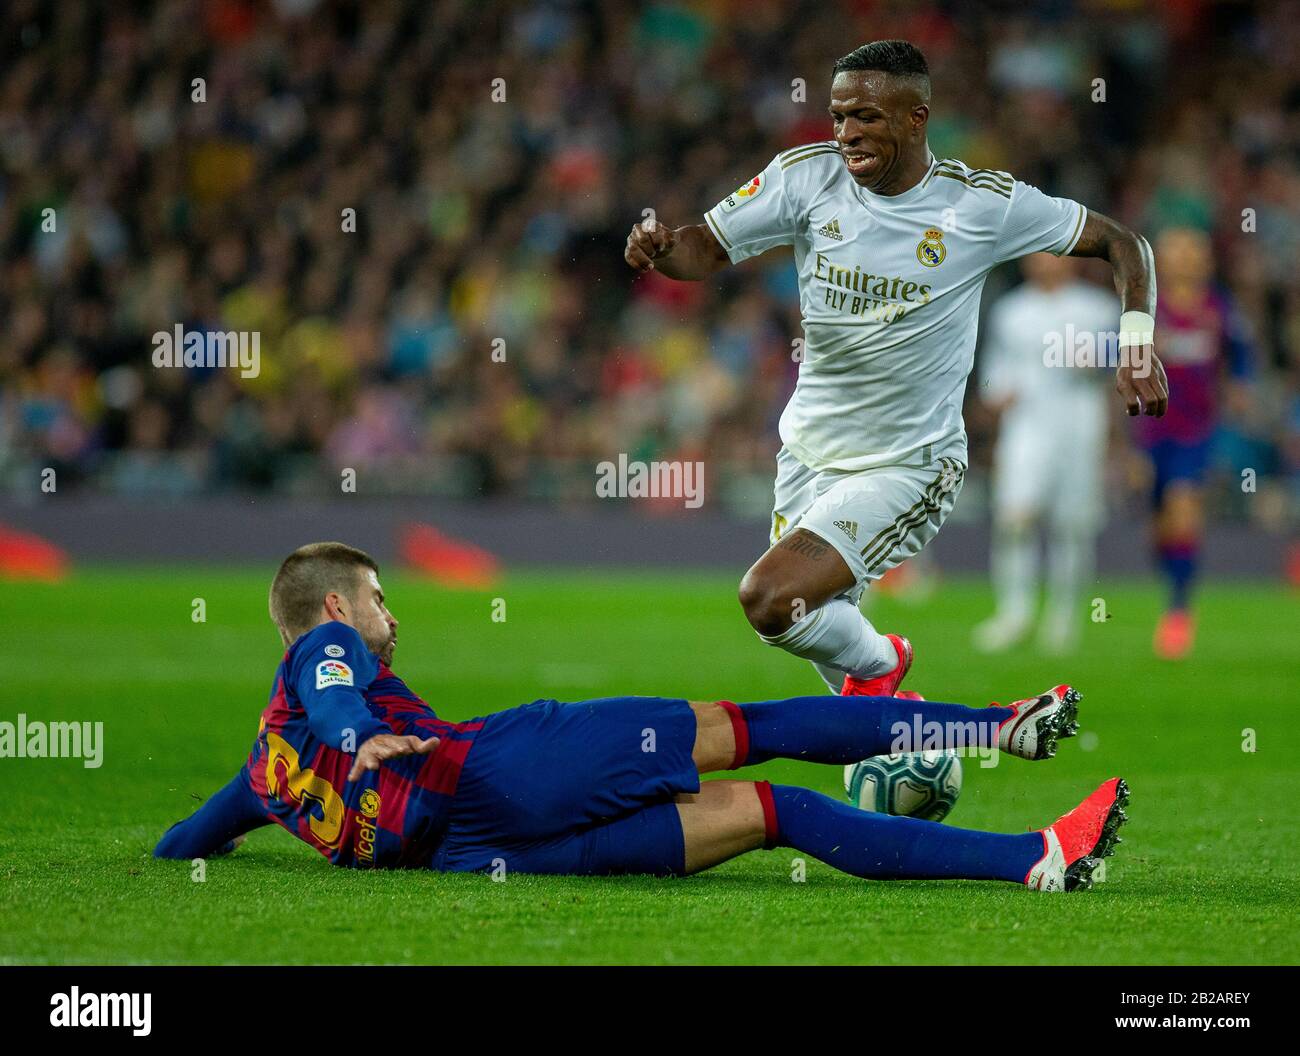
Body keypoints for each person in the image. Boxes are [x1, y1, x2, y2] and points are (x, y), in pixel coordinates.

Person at [623, 39, 1167, 695]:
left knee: (768, 596)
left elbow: (1121, 242)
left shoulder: (978, 206)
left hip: (908, 462)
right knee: (793, 622)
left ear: (917, 119)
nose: (847, 133)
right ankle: (911, 750)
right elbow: (703, 251)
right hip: (809, 453)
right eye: (838, 116)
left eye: (868, 117)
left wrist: (1135, 344)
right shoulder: (804, 177)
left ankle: (889, 666)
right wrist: (661, 248)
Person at [154, 542, 1128, 893]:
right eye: (375, 601)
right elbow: (329, 691)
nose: (387, 617)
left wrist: (178, 850)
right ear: (335, 610)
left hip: (484, 854)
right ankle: (997, 726)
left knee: (771, 814)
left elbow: (192, 835)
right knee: (759, 727)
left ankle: (1036, 859)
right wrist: (357, 730)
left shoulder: (261, 780)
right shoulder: (326, 652)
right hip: (510, 768)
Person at [972, 253, 1120, 654]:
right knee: (1014, 517)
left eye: (1054, 254)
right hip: (1027, 424)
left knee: (1071, 524)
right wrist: (996, 393)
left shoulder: (1098, 307)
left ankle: (1063, 616)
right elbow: (995, 367)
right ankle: (1014, 613)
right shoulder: (1011, 309)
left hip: (1079, 422)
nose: (1044, 262)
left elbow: (1120, 361)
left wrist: (1099, 361)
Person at [1137, 227, 1253, 659]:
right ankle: (1171, 569)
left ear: (1206, 260)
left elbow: (1242, 352)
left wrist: (1240, 386)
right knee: (1161, 527)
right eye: (1177, 250)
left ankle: (1178, 612)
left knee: (1184, 509)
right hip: (1150, 432)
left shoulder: (1219, 306)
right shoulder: (1147, 308)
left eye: (1193, 251)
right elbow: (1120, 362)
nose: (1186, 258)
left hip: (1196, 432)